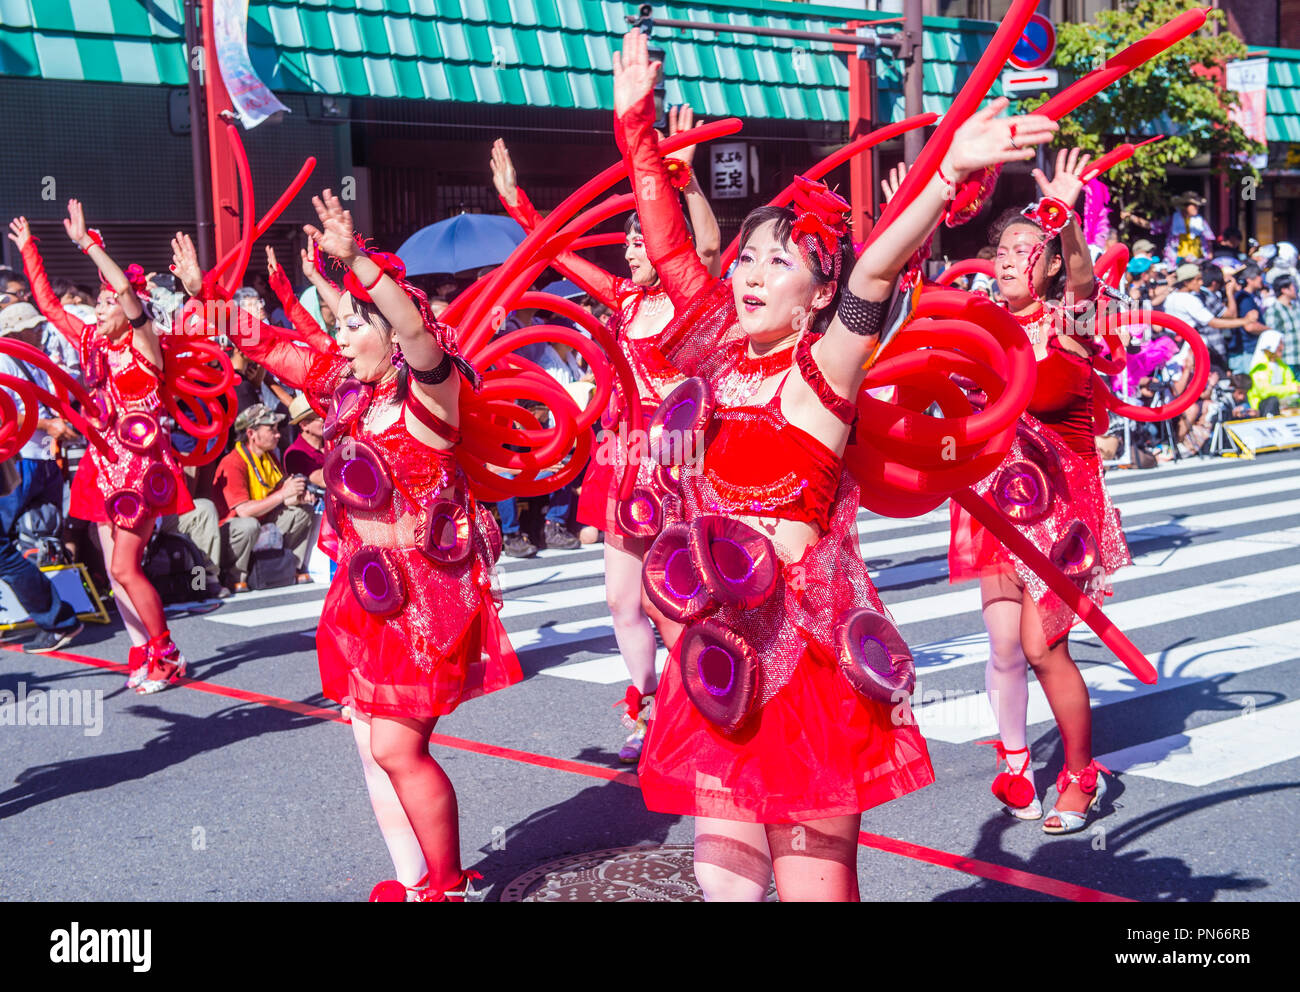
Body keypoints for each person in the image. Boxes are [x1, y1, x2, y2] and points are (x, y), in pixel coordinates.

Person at [610, 31, 1059, 899]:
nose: (748, 275)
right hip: (721, 652)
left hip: (807, 667)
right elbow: (670, 248)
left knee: (817, 884)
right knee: (722, 884)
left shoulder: (823, 377)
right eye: (746, 256)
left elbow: (879, 268)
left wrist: (942, 179)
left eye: (779, 261)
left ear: (817, 295)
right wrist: (635, 131)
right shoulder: (715, 356)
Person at [173, 192, 522, 902]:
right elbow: (266, 344)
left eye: (354, 323)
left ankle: (449, 886)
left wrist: (361, 262)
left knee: (397, 746)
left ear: (392, 334)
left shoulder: (432, 397)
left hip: (424, 602)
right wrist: (205, 299)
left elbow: (419, 336)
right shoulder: (348, 390)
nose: (340, 336)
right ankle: (411, 878)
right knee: (368, 746)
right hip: (363, 594)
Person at [491, 120, 722, 762]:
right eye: (625, 243)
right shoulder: (621, 299)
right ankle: (647, 707)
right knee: (623, 601)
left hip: (681, 463)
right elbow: (558, 254)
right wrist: (519, 205)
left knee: (679, 603)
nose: (629, 252)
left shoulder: (687, 301)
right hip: (626, 460)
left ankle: (704, 704)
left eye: (640, 240)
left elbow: (704, 249)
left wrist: (684, 178)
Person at [948, 147, 1134, 835]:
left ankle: (1080, 774)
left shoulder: (1071, 323)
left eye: (1028, 249)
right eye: (1002, 248)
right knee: (1003, 647)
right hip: (996, 508)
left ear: (1051, 264)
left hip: (1061, 514)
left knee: (1042, 648)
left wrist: (1066, 219)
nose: (1006, 257)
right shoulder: (980, 329)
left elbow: (1084, 278)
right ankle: (1018, 760)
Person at [9, 205, 192, 693]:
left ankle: (167, 654)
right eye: (102, 303)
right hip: (103, 464)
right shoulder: (92, 342)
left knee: (123, 566)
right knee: (116, 571)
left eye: (108, 301)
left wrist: (87, 244)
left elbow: (129, 294)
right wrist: (29, 248)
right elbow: (48, 307)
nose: (100, 307)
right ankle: (141, 650)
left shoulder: (144, 343)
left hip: (140, 469)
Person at [0, 302, 84, 652]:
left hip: (34, 458)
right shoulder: (5, 360)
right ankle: (57, 616)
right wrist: (49, 425)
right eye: (32, 326)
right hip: (22, 457)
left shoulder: (31, 361)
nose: (40, 331)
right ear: (16, 330)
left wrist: (57, 428)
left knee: (29, 541)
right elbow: (10, 412)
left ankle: (59, 617)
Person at [211, 403, 315, 591]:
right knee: (249, 525)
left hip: (262, 522)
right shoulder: (233, 462)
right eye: (271, 429)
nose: (278, 434)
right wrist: (284, 493)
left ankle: (290, 567)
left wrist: (298, 497)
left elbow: (279, 498)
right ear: (251, 434)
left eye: (277, 429)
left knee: (302, 512)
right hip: (234, 528)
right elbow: (243, 511)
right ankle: (236, 576)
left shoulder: (270, 457)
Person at [1160, 263, 1251, 373]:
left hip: (1175, 350)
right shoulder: (1189, 300)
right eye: (1198, 279)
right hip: (1188, 350)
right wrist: (1246, 321)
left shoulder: (1171, 297)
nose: (1201, 283)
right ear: (1186, 282)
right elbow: (1213, 323)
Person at [1246, 329, 1300, 415]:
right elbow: (1265, 391)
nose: (1282, 347)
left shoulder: (1282, 365)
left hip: (1282, 404)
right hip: (1262, 409)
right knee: (1272, 401)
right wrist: (1294, 389)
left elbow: (1291, 382)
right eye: (1280, 343)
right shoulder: (1260, 367)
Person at [284, 393, 326, 488]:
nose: (325, 419)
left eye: (325, 414)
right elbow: (323, 481)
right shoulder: (295, 454)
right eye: (319, 417)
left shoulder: (329, 441)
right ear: (304, 425)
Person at [1264, 273, 1300, 377]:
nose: (1296, 289)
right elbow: (1271, 338)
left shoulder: (1296, 308)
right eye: (1293, 286)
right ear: (1284, 290)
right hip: (1287, 361)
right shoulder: (1274, 310)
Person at [1163, 191, 1214, 263]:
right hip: (1177, 259)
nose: (1197, 208)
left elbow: (1208, 237)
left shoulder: (1200, 220)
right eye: (1194, 205)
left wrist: (1210, 253)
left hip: (1197, 258)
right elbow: (1157, 226)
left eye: (1198, 205)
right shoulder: (1173, 219)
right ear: (1185, 206)